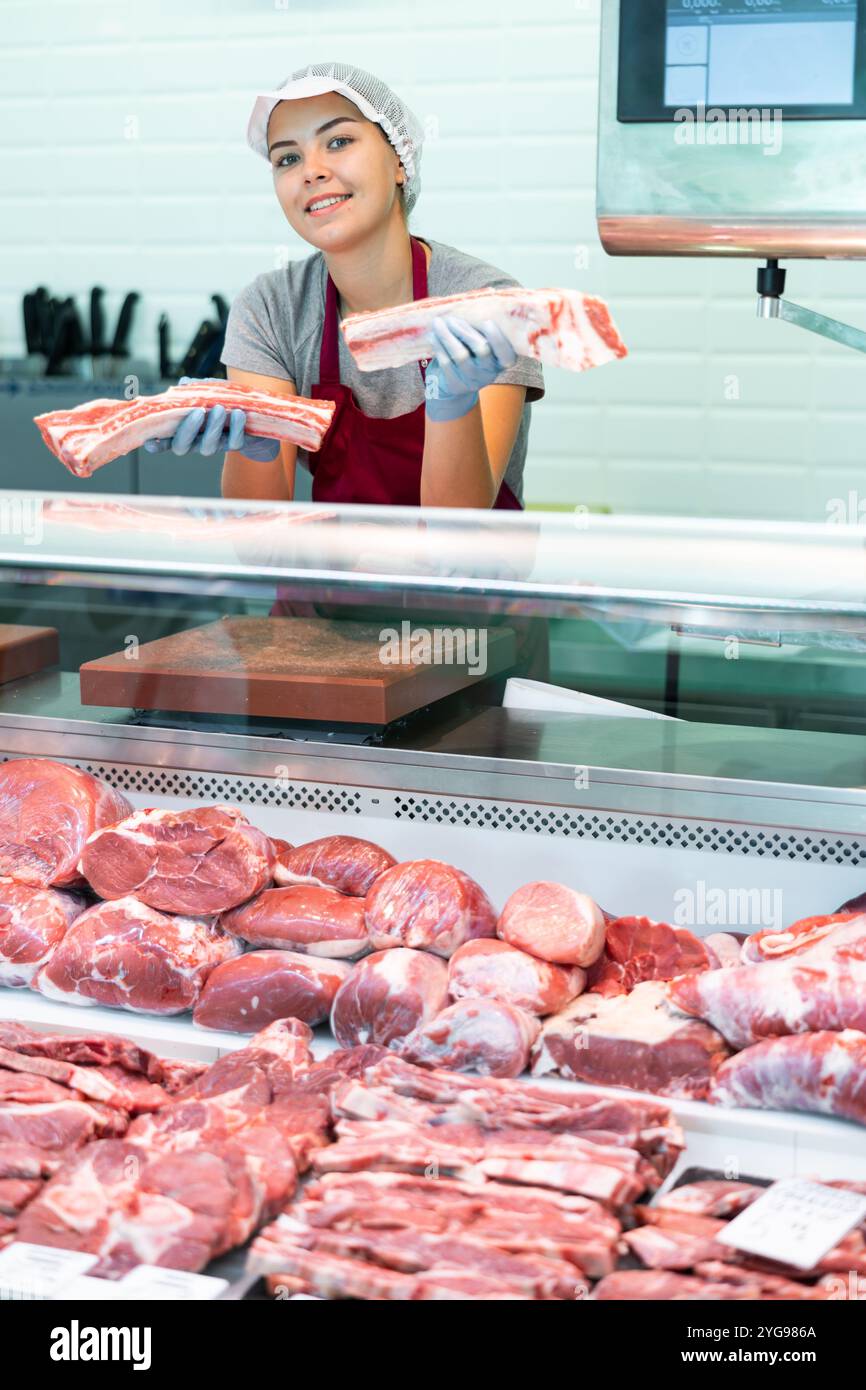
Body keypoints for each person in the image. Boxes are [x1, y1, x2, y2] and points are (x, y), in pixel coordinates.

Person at [145, 62, 548, 675]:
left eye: (339, 141)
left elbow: (455, 536)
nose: (312, 170)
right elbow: (258, 546)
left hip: (465, 639)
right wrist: (253, 449)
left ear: (400, 159)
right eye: (286, 158)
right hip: (319, 639)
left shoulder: (483, 301)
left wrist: (452, 402)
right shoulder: (272, 307)